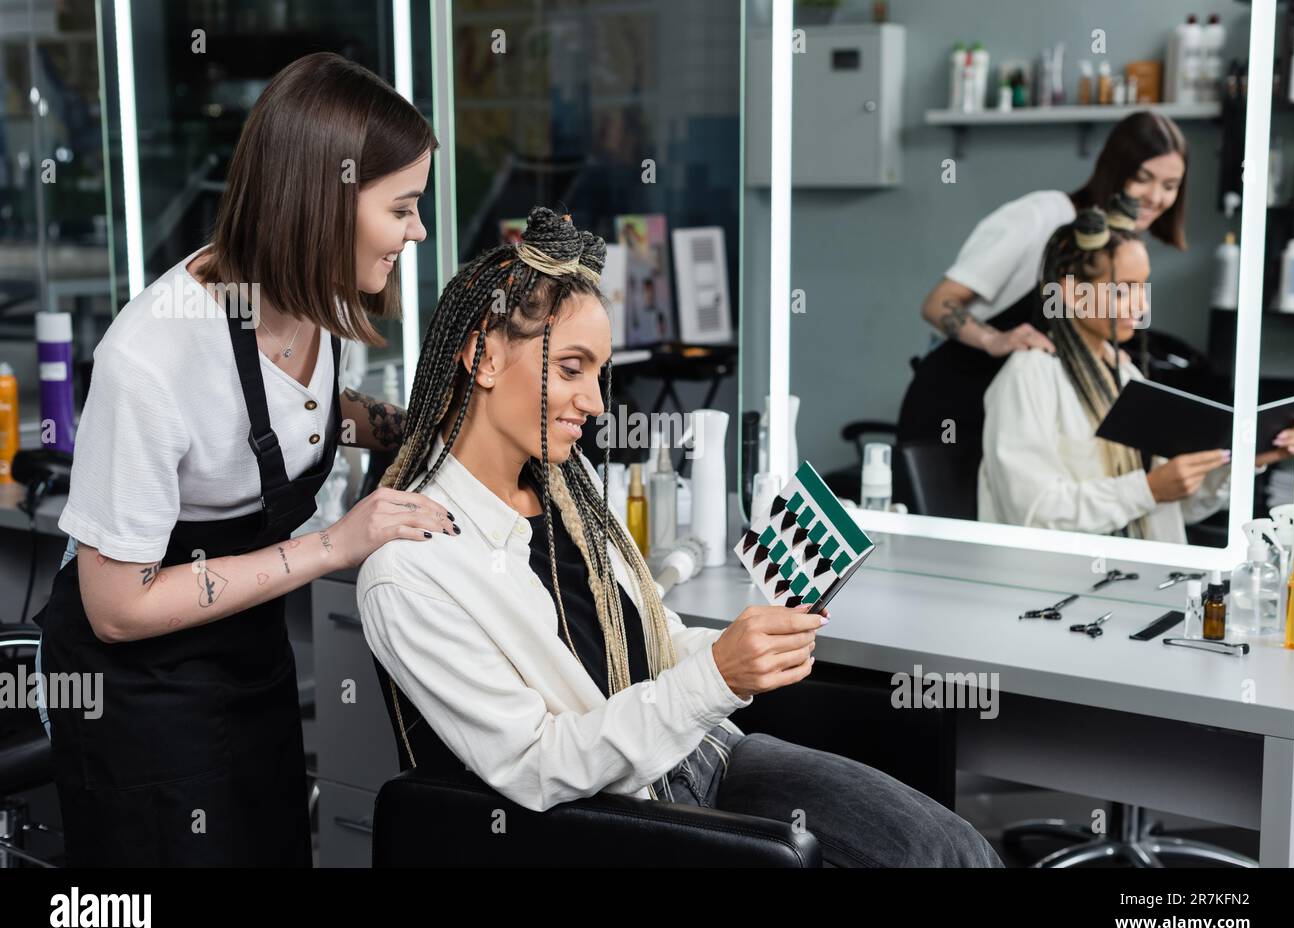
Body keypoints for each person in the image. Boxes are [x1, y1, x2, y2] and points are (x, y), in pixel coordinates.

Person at [357, 206, 1002, 867]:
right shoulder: (411, 571)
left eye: (599, 374)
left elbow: (652, 641)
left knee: (958, 851)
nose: (597, 403)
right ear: (483, 357)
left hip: (702, 754)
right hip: (626, 820)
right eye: (572, 368)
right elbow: (538, 765)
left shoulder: (570, 489)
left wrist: (739, 654)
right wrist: (716, 676)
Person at [33, 53, 457, 866]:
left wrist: (410, 429)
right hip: (140, 695)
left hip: (250, 658)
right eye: (402, 208)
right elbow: (116, 605)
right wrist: (335, 545)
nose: (419, 232)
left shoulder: (312, 296)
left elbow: (283, 412)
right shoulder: (151, 357)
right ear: (325, 202)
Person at [897, 112, 1191, 501]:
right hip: (955, 407)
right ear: (1113, 169)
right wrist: (994, 340)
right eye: (1143, 178)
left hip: (1020, 413)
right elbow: (938, 303)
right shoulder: (1041, 216)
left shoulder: (1120, 243)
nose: (1155, 197)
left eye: (1170, 186)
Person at [979, 203, 1294, 540]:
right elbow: (1030, 512)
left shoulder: (1126, 374)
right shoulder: (1029, 376)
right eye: (1123, 290)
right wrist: (1148, 489)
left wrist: (1246, 461)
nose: (1142, 305)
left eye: (1142, 287)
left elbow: (1177, 507)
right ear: (1071, 292)